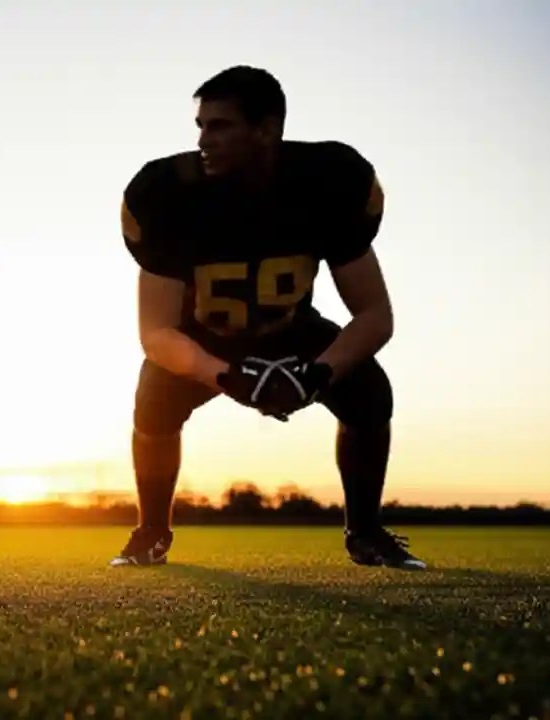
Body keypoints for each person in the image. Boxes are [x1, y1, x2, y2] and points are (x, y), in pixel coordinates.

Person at [112, 65, 425, 570]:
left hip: (292, 330)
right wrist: (223, 374)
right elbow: (156, 332)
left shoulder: (326, 181)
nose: (203, 139)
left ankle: (366, 533)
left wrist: (319, 373)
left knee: (369, 390)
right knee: (153, 401)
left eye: (219, 126)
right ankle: (150, 532)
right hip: (207, 337)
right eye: (200, 125)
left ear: (267, 128)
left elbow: (375, 315)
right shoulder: (168, 194)